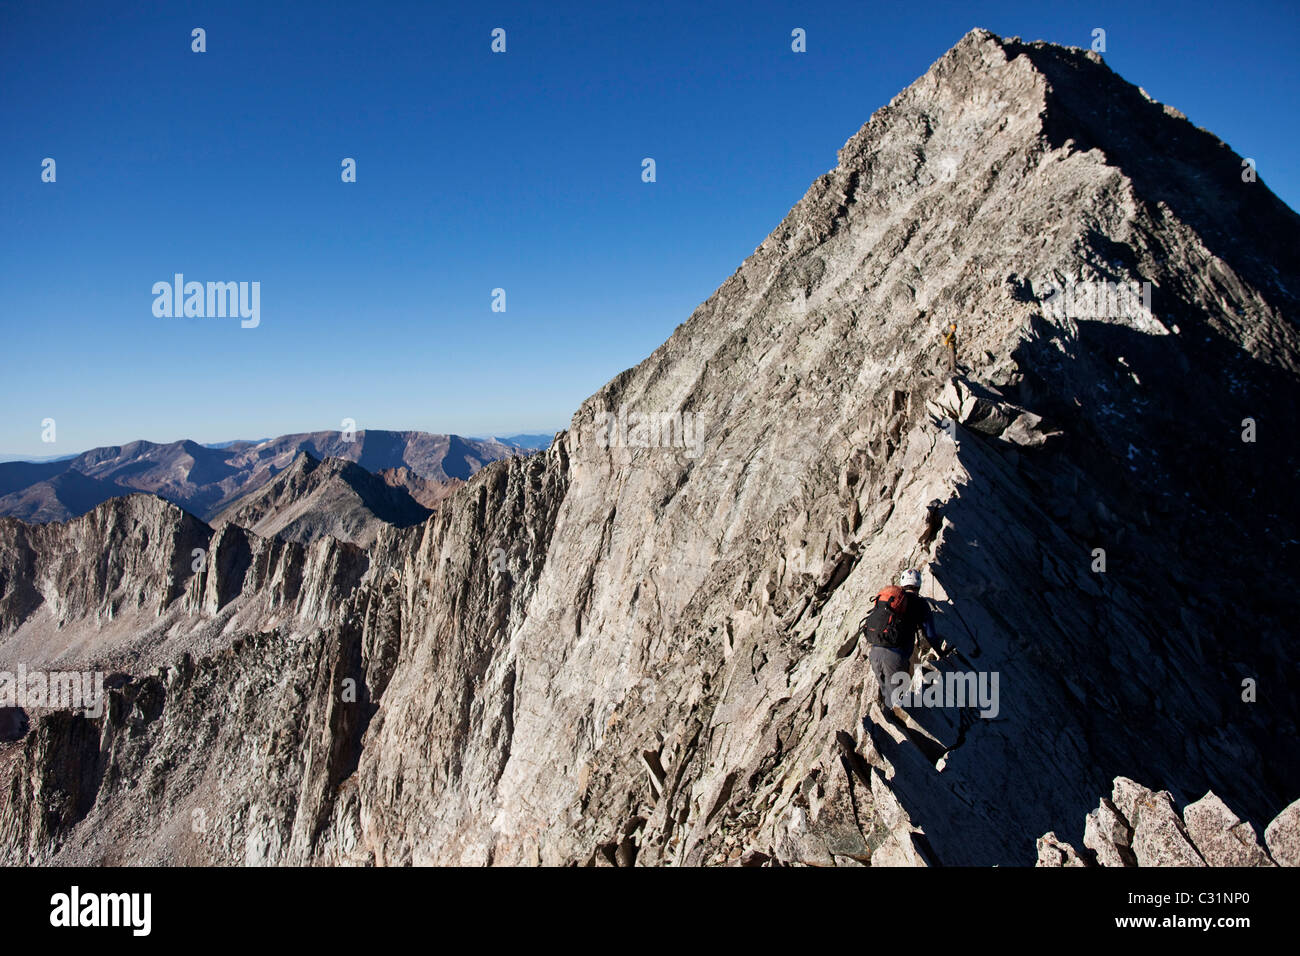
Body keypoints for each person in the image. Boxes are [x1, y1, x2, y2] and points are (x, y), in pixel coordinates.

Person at [858, 568, 950, 762]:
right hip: (895, 656)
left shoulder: (890, 601)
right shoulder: (920, 604)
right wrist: (942, 653)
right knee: (899, 702)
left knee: (888, 697)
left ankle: (886, 744)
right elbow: (930, 635)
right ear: (918, 585)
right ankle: (903, 752)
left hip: (874, 651)